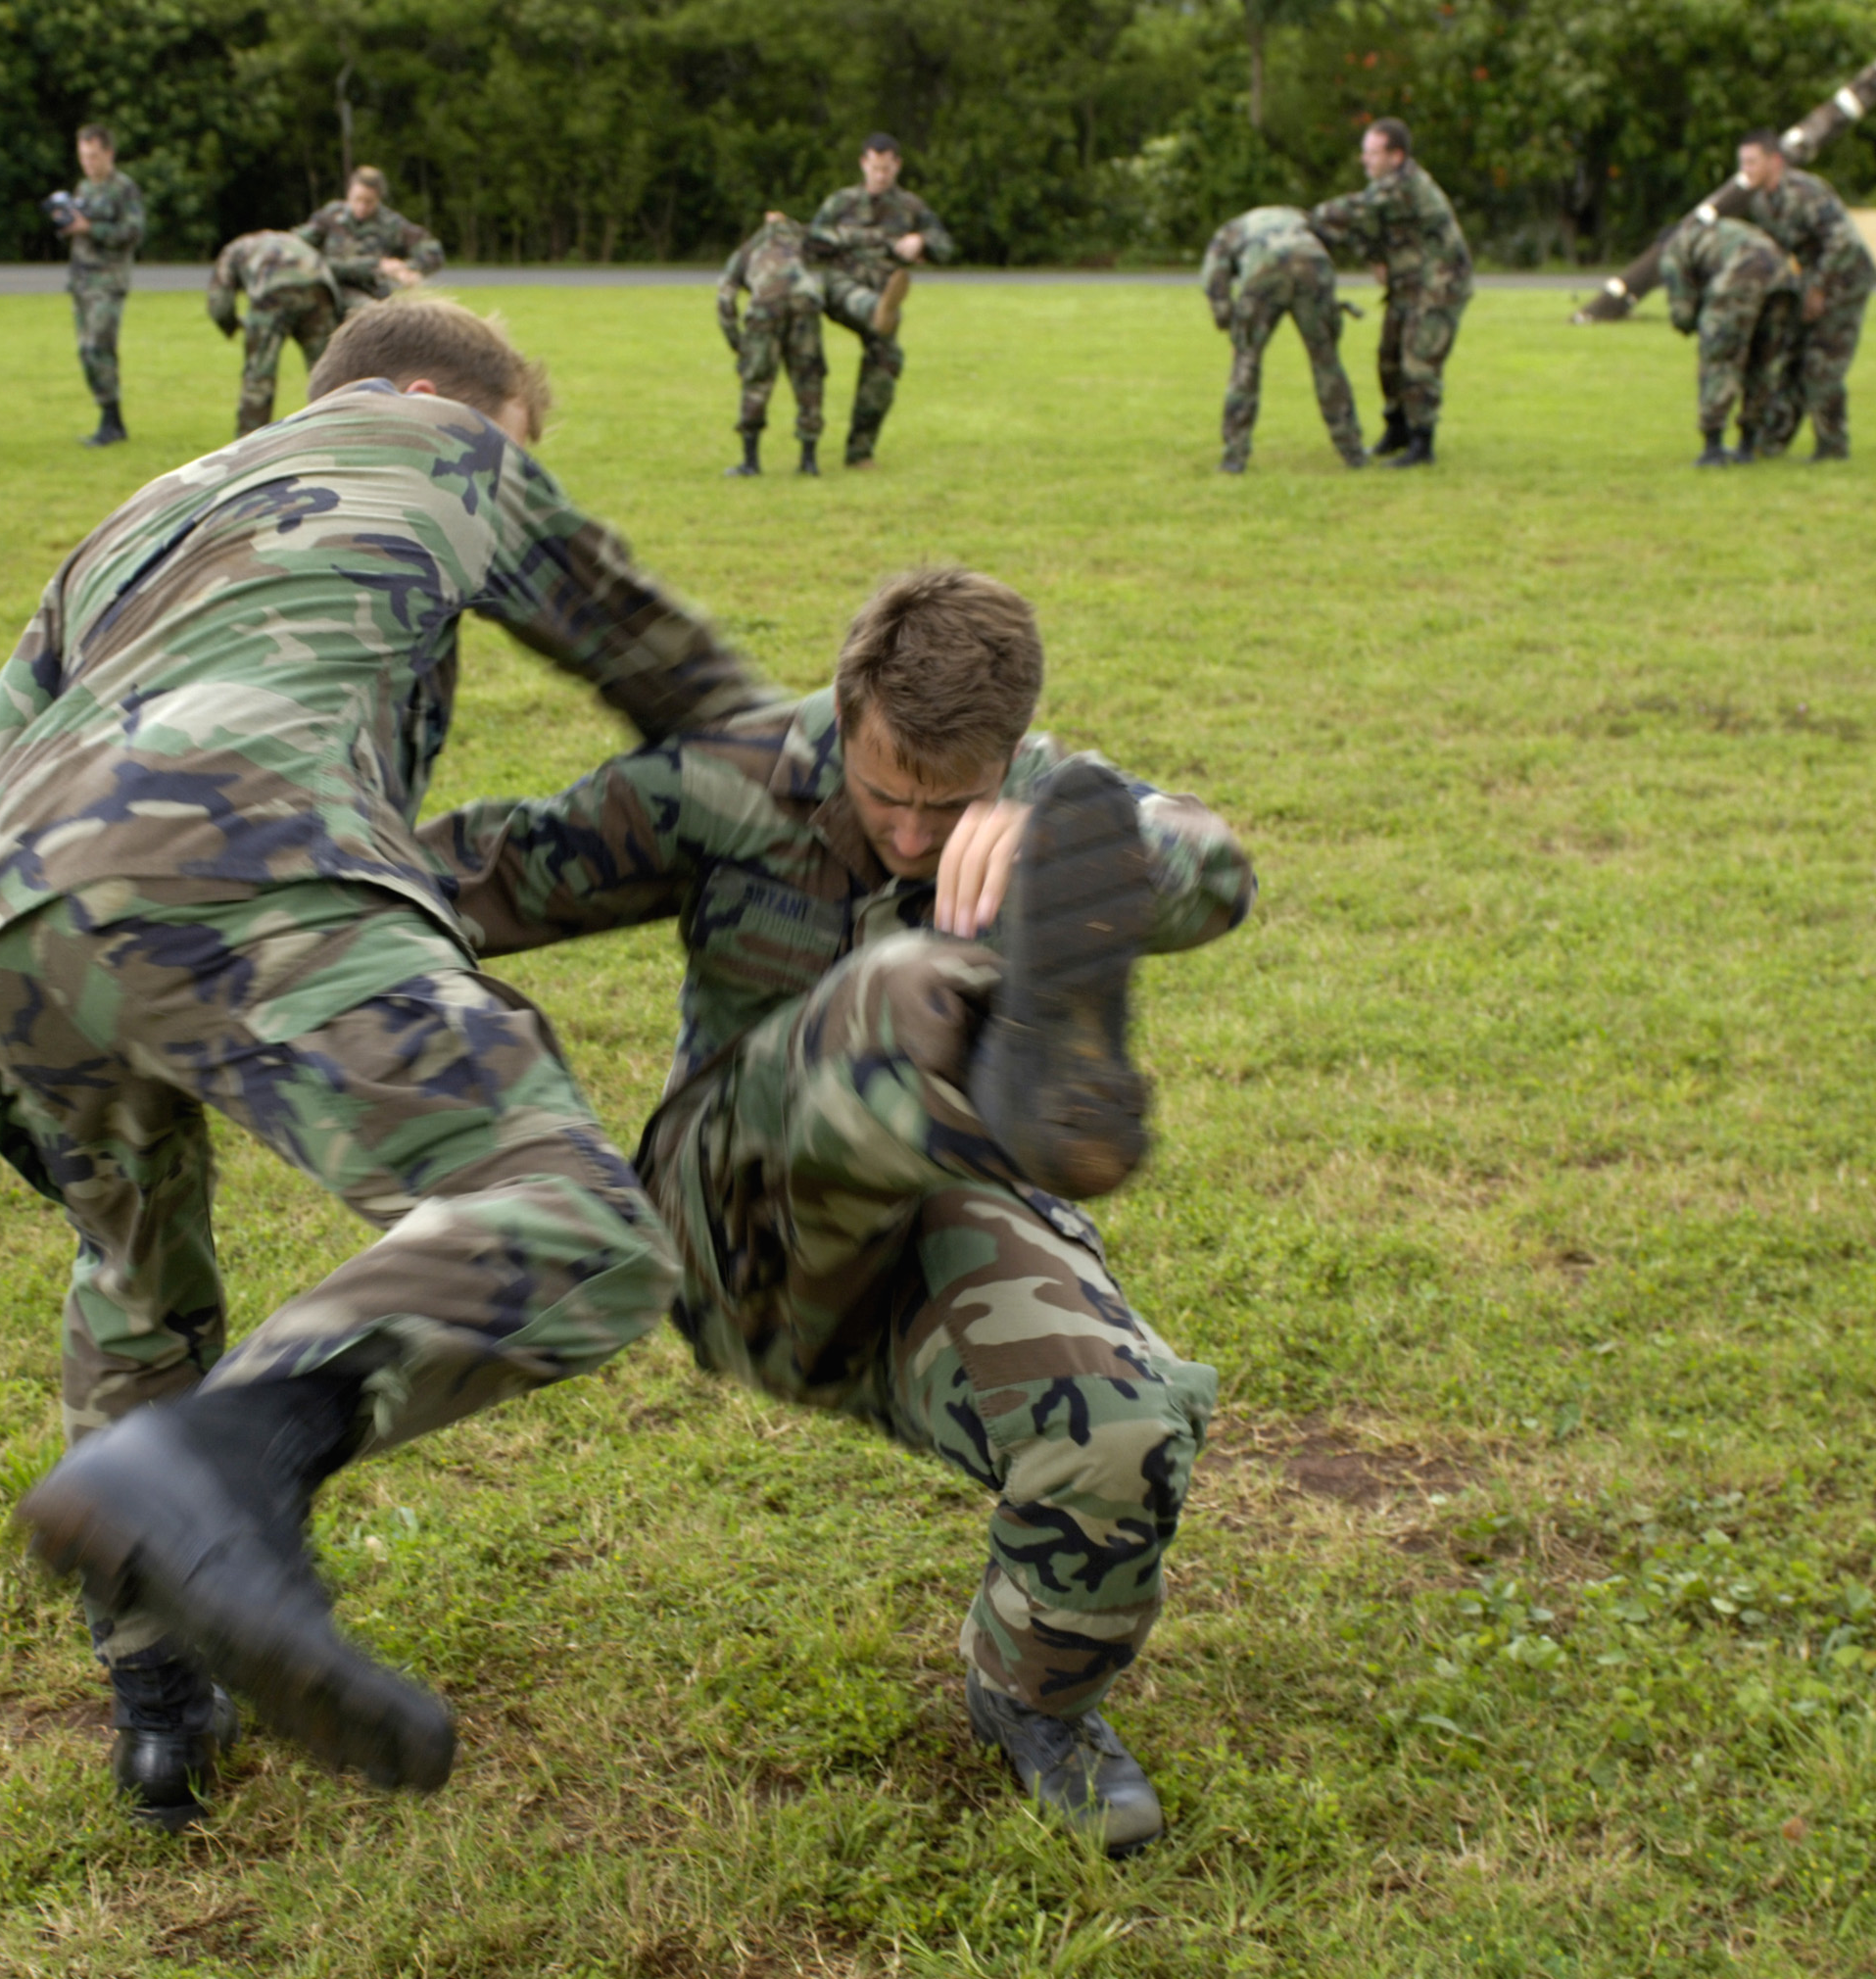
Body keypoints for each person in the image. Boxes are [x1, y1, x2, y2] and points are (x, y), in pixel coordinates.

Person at [0, 297, 790, 1828]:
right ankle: (227, 1467)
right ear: (422, 393)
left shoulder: (150, 511)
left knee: (134, 1279)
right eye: (513, 437)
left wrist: (28, 1036)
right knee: (572, 1224)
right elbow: (677, 677)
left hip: (5, 908)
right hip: (237, 849)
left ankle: (159, 1703)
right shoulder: (445, 443)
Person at [417, 567, 1252, 1856]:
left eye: (948, 805)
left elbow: (1215, 864)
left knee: (1122, 1431)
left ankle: (1032, 1702)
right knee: (906, 989)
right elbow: (470, 875)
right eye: (882, 795)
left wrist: (1089, 852)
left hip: (925, 1236)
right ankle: (976, 1043)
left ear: (1010, 750)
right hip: (737, 1222)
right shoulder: (727, 780)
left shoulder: (1047, 801)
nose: (911, 838)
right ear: (845, 713)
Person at [1309, 119, 1471, 468]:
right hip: (1409, 283)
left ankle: (1422, 443)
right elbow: (1369, 230)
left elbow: (1355, 211)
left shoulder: (1404, 184)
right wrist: (1375, 257)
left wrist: (1306, 219)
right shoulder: (1386, 188)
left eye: (1372, 152)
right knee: (1389, 358)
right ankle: (1397, 431)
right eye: (1364, 152)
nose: (1364, 159)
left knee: (1419, 361)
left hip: (1440, 284)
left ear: (1396, 156)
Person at [807, 135, 956, 467]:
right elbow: (812, 240)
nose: (880, 175)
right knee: (871, 306)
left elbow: (945, 246)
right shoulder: (841, 202)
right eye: (875, 168)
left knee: (886, 359)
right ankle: (879, 310)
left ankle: (860, 452)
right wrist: (852, 238)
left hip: (882, 286)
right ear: (864, 164)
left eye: (887, 169)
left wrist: (921, 241)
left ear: (897, 166)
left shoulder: (911, 207)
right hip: (842, 287)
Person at [1735, 129, 1876, 461]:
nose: (1746, 170)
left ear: (1775, 161)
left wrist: (1819, 289)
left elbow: (1841, 241)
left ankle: (1833, 446)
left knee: (1822, 364)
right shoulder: (1760, 202)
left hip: (1845, 279)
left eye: (1752, 162)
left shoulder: (1805, 192)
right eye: (1742, 163)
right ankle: (1771, 443)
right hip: (1812, 279)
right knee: (1791, 360)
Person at [1201, 206, 1366, 474]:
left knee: (1246, 361)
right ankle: (1352, 450)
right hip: (1313, 265)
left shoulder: (1230, 231)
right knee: (1326, 360)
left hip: (1263, 267)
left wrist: (1229, 324)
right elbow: (1332, 240)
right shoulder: (1302, 220)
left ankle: (1234, 457)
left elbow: (1213, 277)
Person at [1660, 215, 1799, 468]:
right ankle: (1748, 445)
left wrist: (1701, 324)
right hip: (1782, 277)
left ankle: (1712, 448)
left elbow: (1682, 315)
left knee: (1719, 361)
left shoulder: (1674, 249)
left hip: (1740, 275)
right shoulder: (1722, 229)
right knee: (1763, 362)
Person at [715, 211, 827, 476]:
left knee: (757, 382)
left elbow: (725, 299)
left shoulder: (745, 252)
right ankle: (809, 462)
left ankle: (750, 462)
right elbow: (826, 237)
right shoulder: (797, 240)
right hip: (805, 302)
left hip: (765, 308)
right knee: (809, 378)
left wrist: (738, 344)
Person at [206, 231, 346, 434]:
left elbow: (219, 303)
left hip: (272, 292)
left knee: (259, 376)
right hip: (318, 288)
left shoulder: (232, 252)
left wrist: (232, 325)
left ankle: (251, 442)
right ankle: (337, 431)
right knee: (326, 371)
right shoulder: (290, 241)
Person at [62, 124, 149, 448]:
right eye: (83, 156)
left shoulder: (123, 188)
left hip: (108, 280)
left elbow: (134, 231)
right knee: (86, 351)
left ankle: (111, 420)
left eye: (94, 156)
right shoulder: (84, 187)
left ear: (109, 154)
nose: (88, 162)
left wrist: (91, 228)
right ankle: (109, 417)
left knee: (99, 345)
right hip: (81, 281)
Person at [293, 167, 444, 302]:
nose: (362, 207)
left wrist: (405, 268)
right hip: (330, 291)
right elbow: (295, 245)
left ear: (379, 199)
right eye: (357, 199)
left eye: (369, 202)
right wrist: (378, 265)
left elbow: (432, 251)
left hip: (371, 295)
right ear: (349, 194)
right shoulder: (330, 217)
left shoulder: (391, 224)